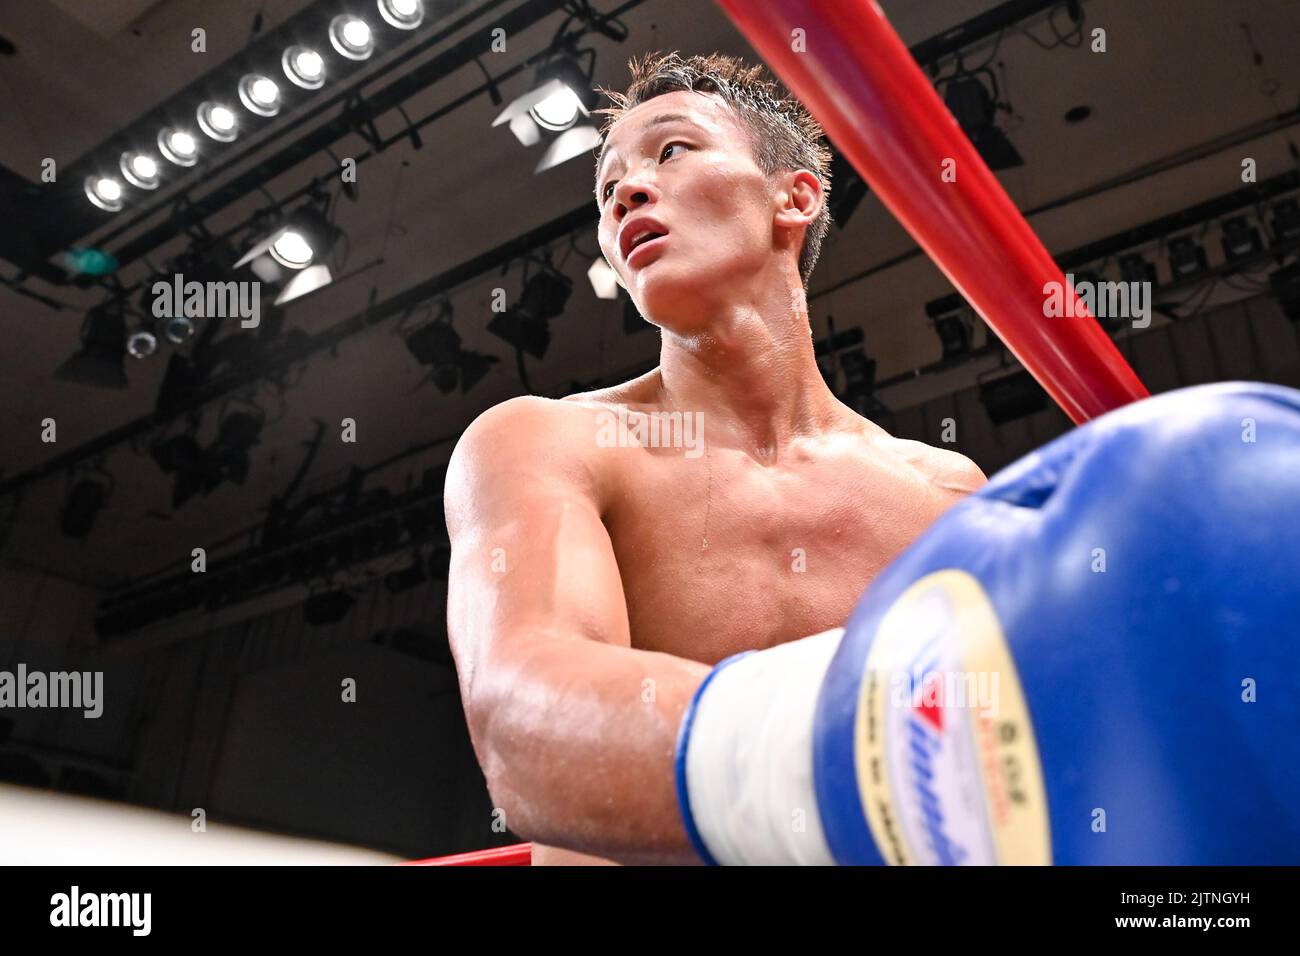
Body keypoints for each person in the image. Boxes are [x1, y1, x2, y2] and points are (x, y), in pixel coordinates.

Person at [444, 52, 985, 865]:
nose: (626, 189)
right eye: (606, 186)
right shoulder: (544, 440)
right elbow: (526, 728)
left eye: (671, 151)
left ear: (793, 197)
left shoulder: (944, 491)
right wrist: (859, 750)